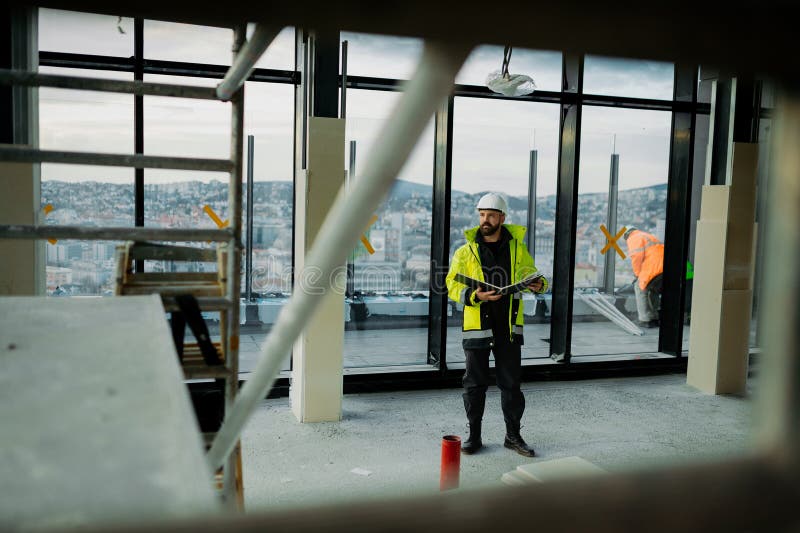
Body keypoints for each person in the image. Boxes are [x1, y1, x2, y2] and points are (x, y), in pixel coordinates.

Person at [446, 192, 548, 457]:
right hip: (477, 326)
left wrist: (539, 284)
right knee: (474, 385)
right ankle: (474, 436)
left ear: (502, 218)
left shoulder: (517, 249)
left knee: (511, 385)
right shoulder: (465, 251)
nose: (485, 220)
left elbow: (532, 275)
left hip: (508, 327)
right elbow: (451, 285)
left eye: (491, 215)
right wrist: (474, 296)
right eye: (482, 215)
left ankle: (513, 436)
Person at [623, 227, 663, 328]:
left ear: (627, 235)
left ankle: (645, 319)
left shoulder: (633, 238)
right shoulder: (648, 235)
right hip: (663, 267)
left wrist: (637, 275)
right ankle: (654, 317)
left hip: (654, 268)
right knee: (653, 290)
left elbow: (636, 257)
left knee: (639, 286)